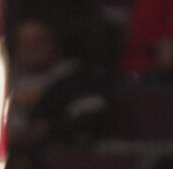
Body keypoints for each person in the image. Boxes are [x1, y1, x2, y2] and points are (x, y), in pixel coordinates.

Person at [6, 13, 117, 150]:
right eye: (23, 42)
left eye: (37, 41)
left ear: (55, 43)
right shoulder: (4, 77)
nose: (29, 48)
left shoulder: (76, 79)